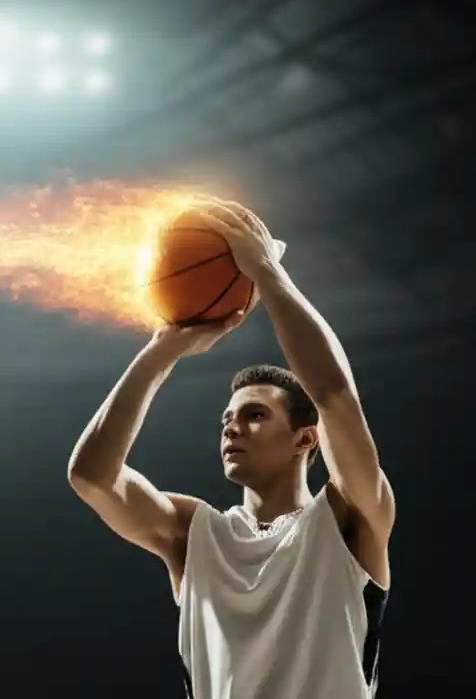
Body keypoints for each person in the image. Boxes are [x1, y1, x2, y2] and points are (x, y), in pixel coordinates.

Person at [66, 198, 395, 698]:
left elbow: (335, 397)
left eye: (255, 415)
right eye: (227, 418)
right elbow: (91, 475)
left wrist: (265, 272)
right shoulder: (193, 533)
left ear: (306, 438)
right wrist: (164, 348)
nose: (231, 428)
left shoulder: (349, 514)